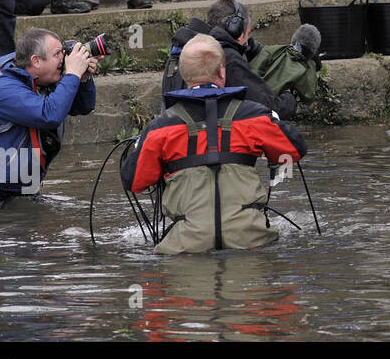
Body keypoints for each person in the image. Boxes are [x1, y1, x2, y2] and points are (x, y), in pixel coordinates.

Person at [121, 34, 307, 254]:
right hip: (250, 243)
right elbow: (295, 149)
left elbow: (134, 182)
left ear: (183, 74)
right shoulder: (255, 117)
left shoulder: (160, 129)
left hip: (186, 249)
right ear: (222, 71)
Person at [0, 28, 95, 212]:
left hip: (16, 188)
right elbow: (49, 115)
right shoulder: (4, 87)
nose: (63, 59)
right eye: (57, 54)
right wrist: (72, 74)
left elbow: (83, 107)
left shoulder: (44, 80)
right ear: (36, 61)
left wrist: (83, 78)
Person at [164, 0, 300, 120]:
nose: (248, 40)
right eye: (248, 33)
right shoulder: (226, 58)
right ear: (236, 29)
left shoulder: (179, 53)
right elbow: (270, 109)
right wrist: (289, 96)